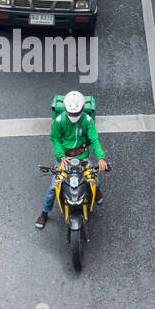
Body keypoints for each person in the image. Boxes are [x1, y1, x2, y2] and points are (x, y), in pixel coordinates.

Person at [37, 90, 109, 229]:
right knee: (53, 187)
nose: (74, 116)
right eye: (71, 113)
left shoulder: (87, 121)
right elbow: (55, 139)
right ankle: (44, 213)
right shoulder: (59, 122)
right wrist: (61, 156)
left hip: (82, 157)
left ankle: (96, 191)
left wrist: (101, 158)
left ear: (82, 110)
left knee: (95, 180)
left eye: (76, 113)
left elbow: (94, 139)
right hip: (65, 158)